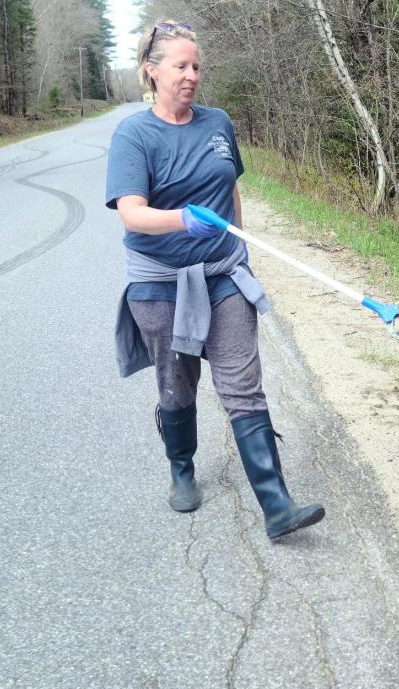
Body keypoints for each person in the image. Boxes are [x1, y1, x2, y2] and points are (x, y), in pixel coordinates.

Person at [105, 20, 324, 540]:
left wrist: (241, 250)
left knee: (243, 387)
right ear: (151, 71)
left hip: (224, 275)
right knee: (177, 388)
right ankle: (181, 468)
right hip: (160, 285)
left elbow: (232, 193)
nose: (191, 76)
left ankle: (277, 507)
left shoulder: (218, 123)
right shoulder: (134, 134)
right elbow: (132, 214)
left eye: (197, 66)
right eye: (180, 65)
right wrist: (183, 218)